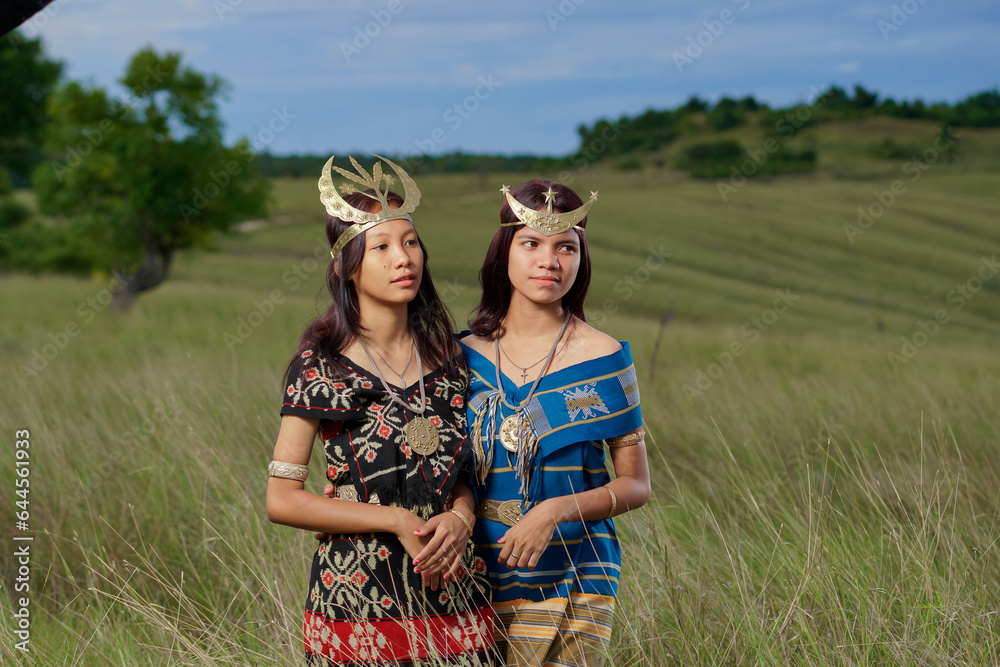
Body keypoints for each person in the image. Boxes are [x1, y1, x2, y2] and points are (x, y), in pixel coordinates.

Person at [266, 155, 495, 666]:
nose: (403, 259)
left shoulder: (452, 359)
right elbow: (282, 500)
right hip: (357, 598)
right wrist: (394, 520)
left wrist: (461, 515)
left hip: (457, 593)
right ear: (345, 267)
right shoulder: (321, 365)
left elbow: (458, 471)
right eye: (382, 247)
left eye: (410, 243)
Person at [458, 180, 651, 666]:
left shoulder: (604, 357)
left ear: (581, 259)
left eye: (566, 247)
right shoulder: (460, 355)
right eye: (531, 244)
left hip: (576, 570)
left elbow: (636, 484)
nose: (550, 261)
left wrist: (555, 510)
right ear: (504, 251)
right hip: (472, 569)